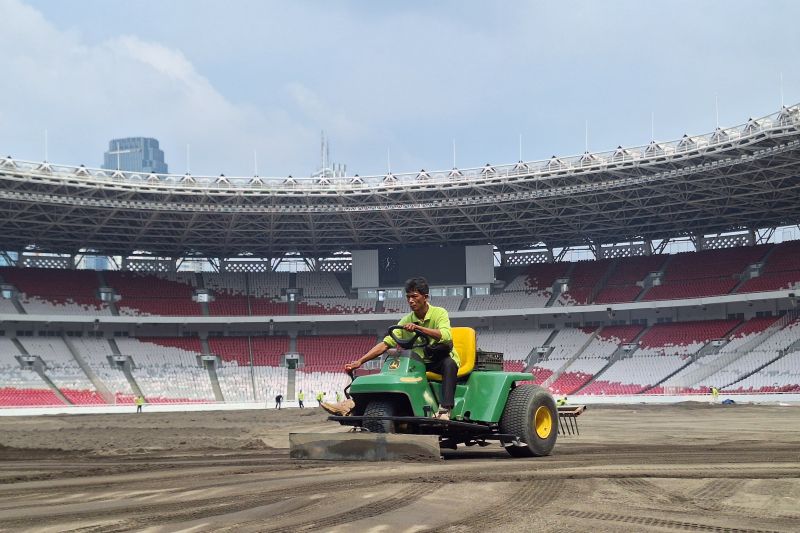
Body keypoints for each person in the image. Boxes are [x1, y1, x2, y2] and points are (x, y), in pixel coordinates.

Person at [337, 277, 460, 420]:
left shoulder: (439, 313)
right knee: (395, 369)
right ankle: (359, 406)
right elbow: (385, 344)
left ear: (425, 297)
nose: (410, 301)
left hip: (439, 358)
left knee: (449, 364)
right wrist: (359, 362)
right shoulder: (405, 321)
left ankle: (445, 409)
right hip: (419, 363)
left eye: (414, 296)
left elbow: (445, 335)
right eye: (408, 297)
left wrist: (418, 328)